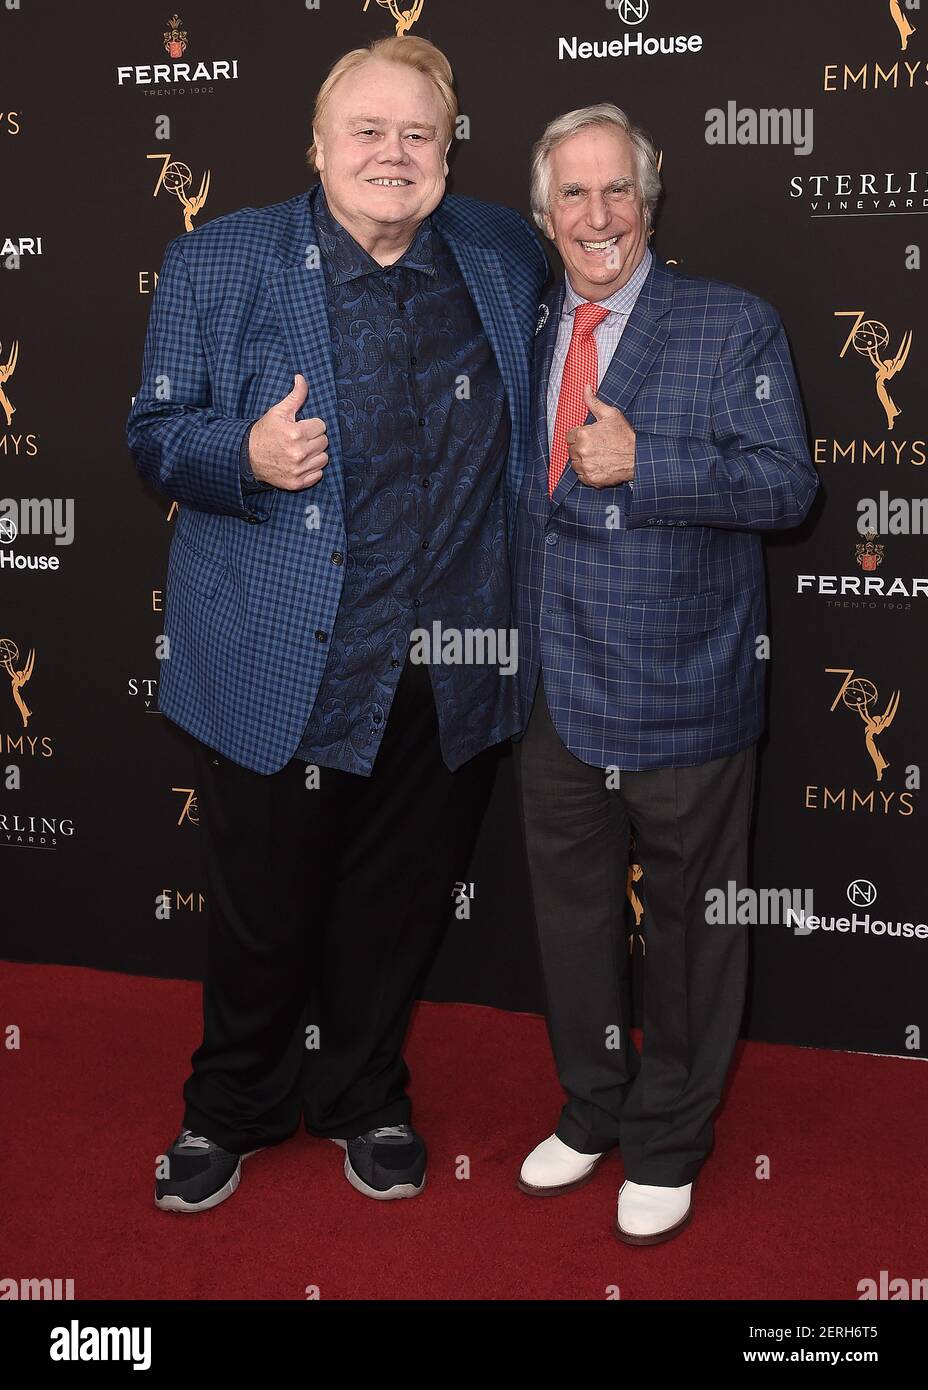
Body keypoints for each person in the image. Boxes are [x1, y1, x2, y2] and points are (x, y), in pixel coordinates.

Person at [126, 35, 548, 1212]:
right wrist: (245, 456)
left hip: (447, 663)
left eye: (418, 132)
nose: (392, 153)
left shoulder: (504, 254)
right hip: (279, 654)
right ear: (316, 146)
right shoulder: (219, 259)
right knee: (263, 913)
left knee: (397, 904)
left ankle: (364, 1095)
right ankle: (234, 1107)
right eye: (366, 130)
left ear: (449, 154)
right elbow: (153, 434)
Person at [512, 103, 818, 1244]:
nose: (598, 216)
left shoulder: (728, 323)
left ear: (649, 203)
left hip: (686, 684)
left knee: (690, 927)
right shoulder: (530, 319)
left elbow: (787, 486)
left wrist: (650, 462)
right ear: (545, 216)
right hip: (550, 691)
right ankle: (593, 1107)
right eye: (574, 196)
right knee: (573, 919)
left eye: (617, 192)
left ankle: (670, 1134)